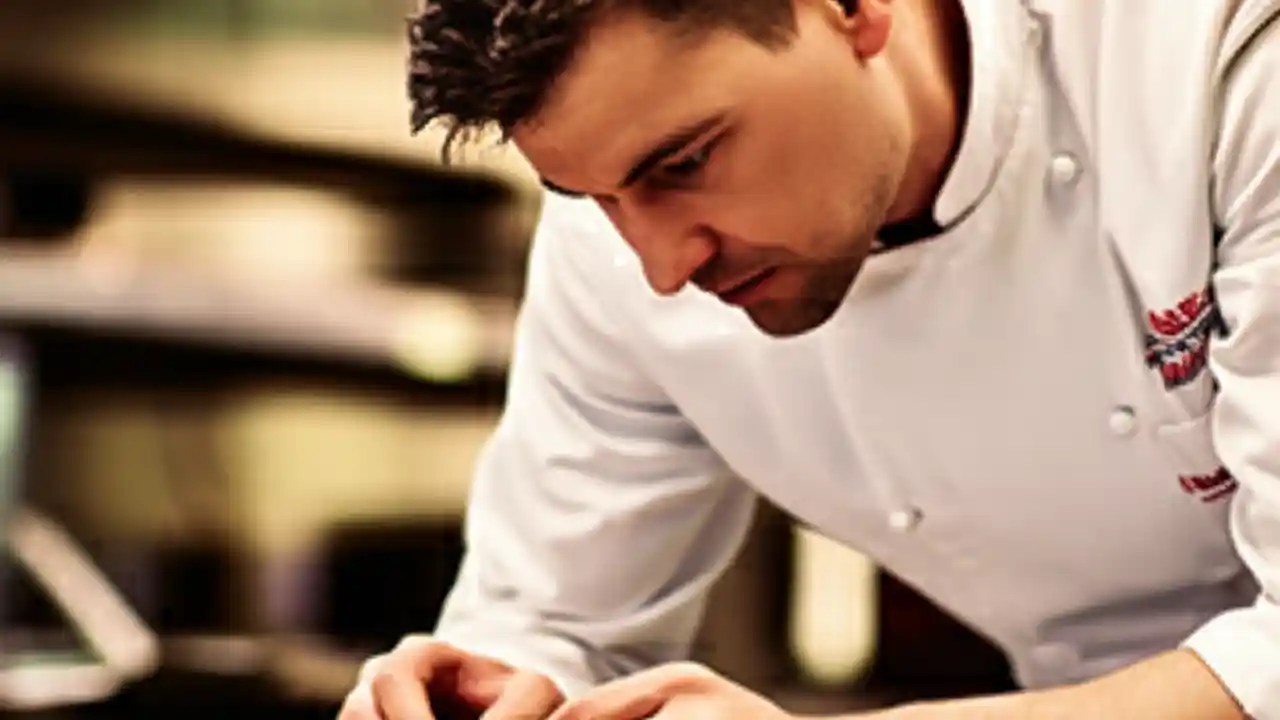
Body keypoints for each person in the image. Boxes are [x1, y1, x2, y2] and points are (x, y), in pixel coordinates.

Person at [339, 0, 1280, 717]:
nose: (662, 269)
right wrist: (501, 682)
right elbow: (558, 619)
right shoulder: (613, 250)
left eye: (687, 162)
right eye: (587, 194)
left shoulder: (1219, 59)